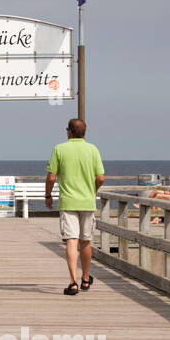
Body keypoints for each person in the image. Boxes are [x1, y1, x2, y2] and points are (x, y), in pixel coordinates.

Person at [44, 118, 106, 296]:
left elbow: (51, 177)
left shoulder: (60, 149)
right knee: (85, 241)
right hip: (87, 201)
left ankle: (73, 282)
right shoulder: (92, 149)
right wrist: (92, 191)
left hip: (68, 201)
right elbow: (101, 177)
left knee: (71, 240)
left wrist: (48, 195)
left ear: (69, 131)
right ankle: (86, 278)